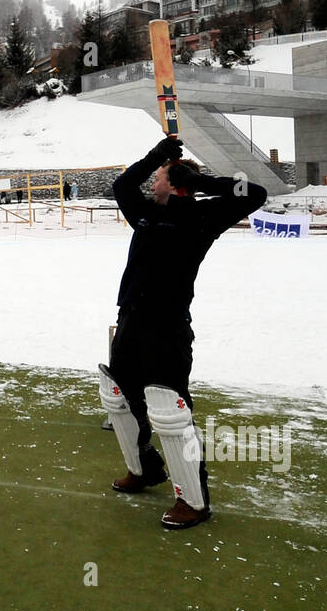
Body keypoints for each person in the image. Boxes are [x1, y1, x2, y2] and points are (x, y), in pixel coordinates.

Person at [101, 136, 266, 529]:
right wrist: (155, 156)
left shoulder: (202, 216)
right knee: (119, 399)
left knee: (168, 410)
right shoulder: (143, 211)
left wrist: (200, 179)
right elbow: (122, 186)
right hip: (130, 320)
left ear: (176, 182)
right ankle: (144, 469)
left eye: (158, 175)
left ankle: (193, 501)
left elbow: (255, 193)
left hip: (167, 326)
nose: (153, 181)